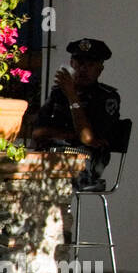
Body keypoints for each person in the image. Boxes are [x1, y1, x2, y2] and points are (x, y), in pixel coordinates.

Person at [31, 38, 121, 190]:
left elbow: (87, 138)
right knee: (15, 175)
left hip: (86, 165)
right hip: (53, 157)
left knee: (49, 181)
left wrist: (72, 95)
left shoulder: (107, 97)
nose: (83, 69)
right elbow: (37, 133)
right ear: (72, 64)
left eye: (90, 65)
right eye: (79, 63)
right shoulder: (58, 93)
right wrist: (71, 135)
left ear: (100, 69)